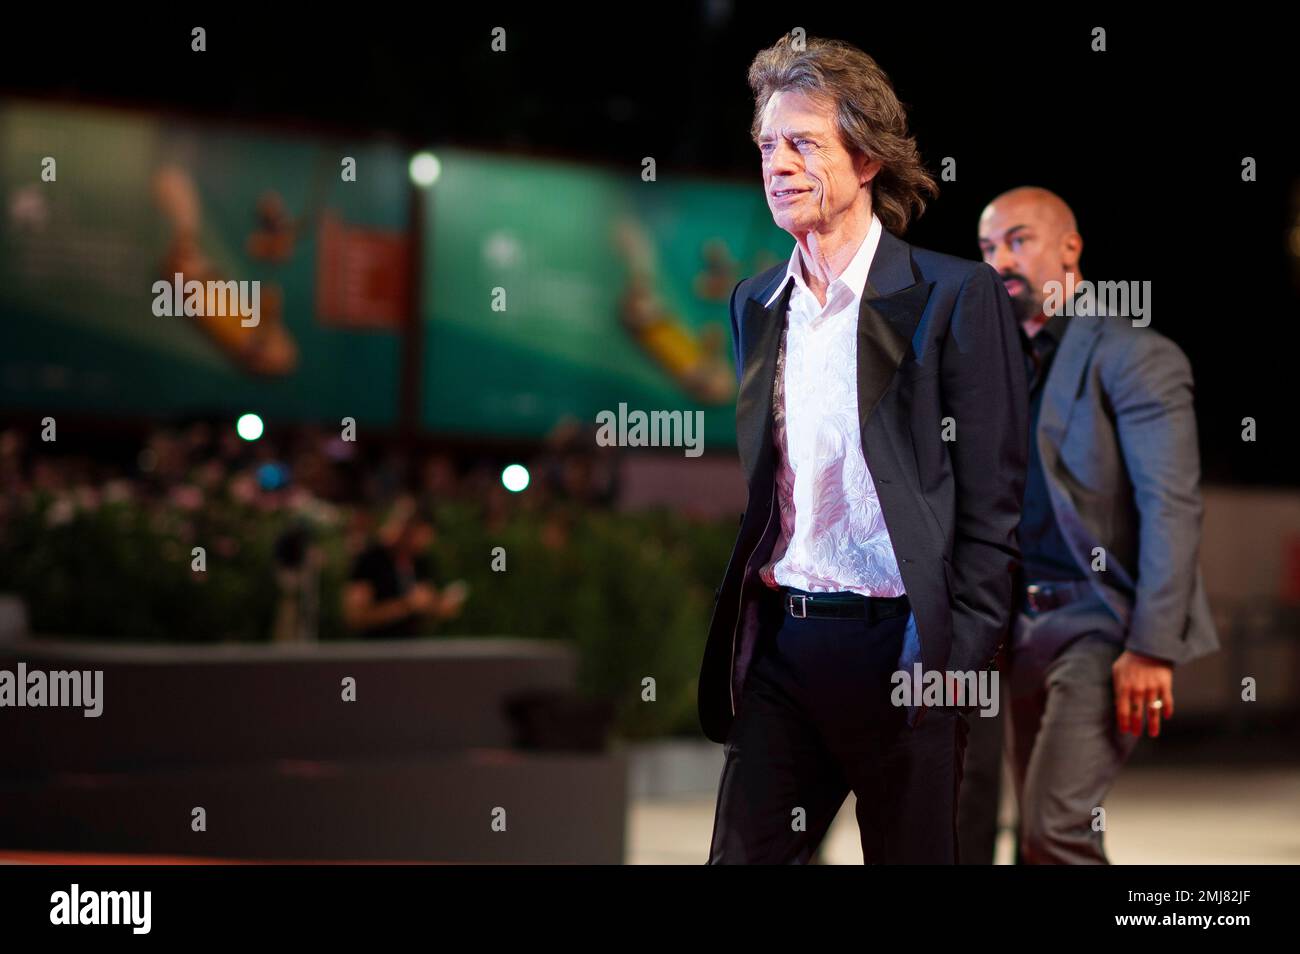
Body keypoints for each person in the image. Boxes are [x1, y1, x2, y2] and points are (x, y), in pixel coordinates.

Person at [700, 33, 1028, 864]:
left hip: (908, 650)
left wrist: (954, 657)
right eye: (768, 145)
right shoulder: (755, 303)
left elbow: (994, 504)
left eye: (804, 142)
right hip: (785, 647)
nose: (778, 163)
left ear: (869, 159)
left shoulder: (955, 296)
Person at [973, 186, 1219, 863]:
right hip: (1016, 627)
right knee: (1039, 835)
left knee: (1055, 828)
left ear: (1070, 248)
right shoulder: (996, 364)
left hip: (1100, 621)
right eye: (988, 248)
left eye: (1018, 240)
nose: (1000, 260)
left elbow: (1171, 503)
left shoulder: (1135, 354)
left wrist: (1152, 647)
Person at [343, 496, 467, 639]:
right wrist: (407, 605)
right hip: (376, 652)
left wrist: (437, 608)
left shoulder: (421, 562)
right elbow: (355, 618)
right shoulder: (370, 559)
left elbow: (423, 609)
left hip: (412, 652)